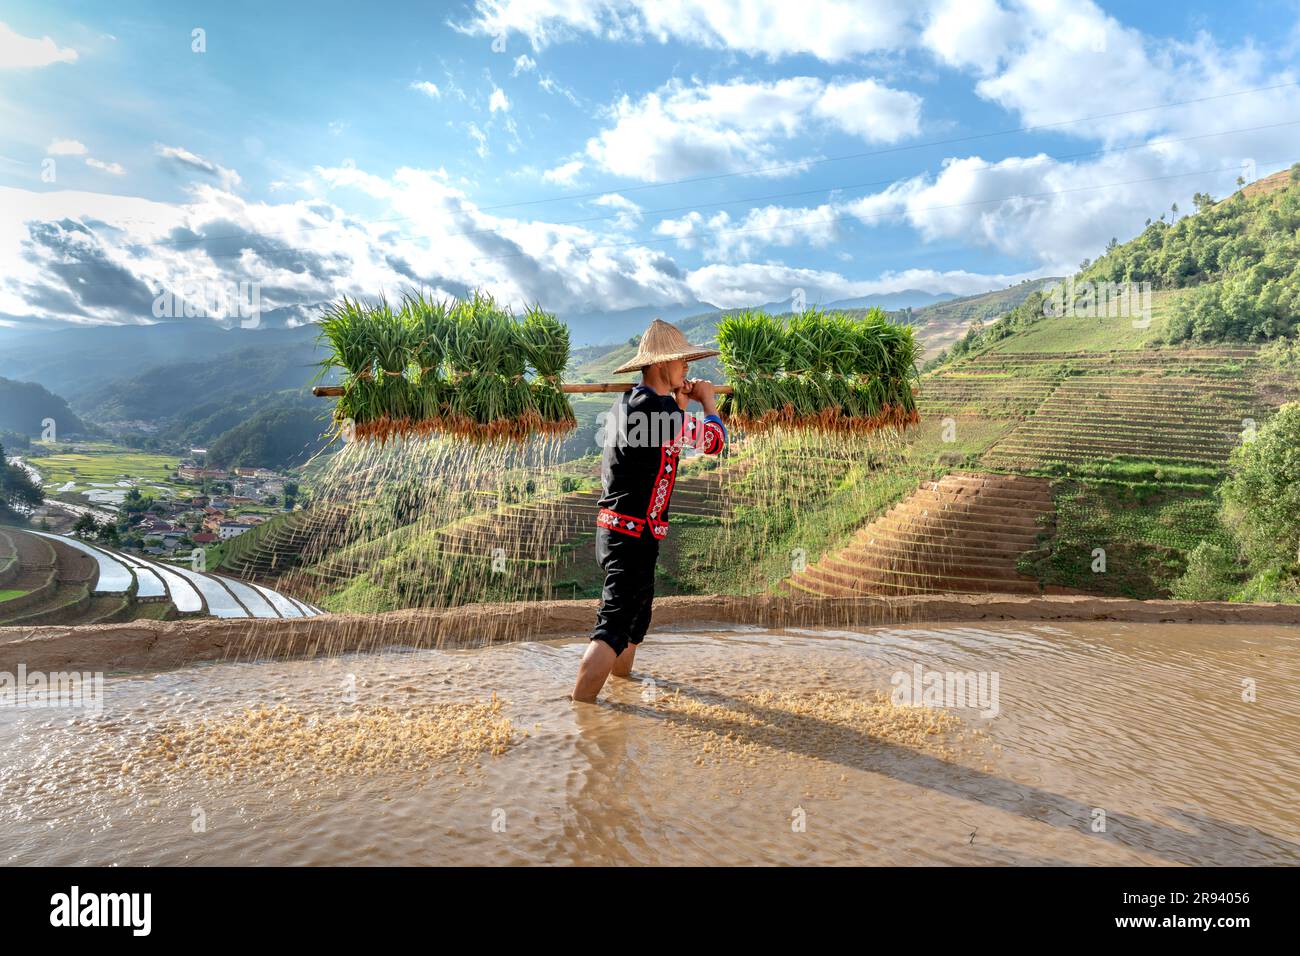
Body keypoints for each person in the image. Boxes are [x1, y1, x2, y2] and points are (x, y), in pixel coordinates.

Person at [571, 319, 727, 703]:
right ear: (662, 366)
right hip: (631, 537)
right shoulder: (660, 413)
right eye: (682, 363)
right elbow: (713, 442)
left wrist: (680, 403)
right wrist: (708, 402)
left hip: (624, 532)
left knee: (633, 625)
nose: (688, 369)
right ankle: (579, 717)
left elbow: (658, 445)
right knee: (612, 628)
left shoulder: (630, 403)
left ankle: (621, 695)